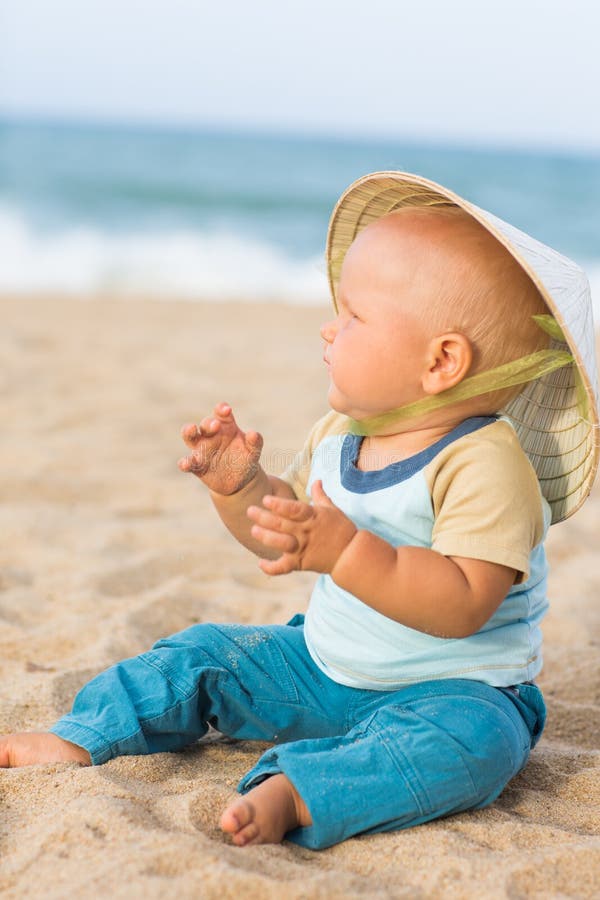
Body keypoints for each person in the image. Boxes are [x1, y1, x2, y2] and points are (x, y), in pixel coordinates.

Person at [1, 172, 598, 851]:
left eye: (352, 317)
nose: (327, 327)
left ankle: (303, 788)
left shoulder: (488, 465)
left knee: (479, 748)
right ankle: (82, 737)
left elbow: (463, 603)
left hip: (452, 692)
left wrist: (347, 554)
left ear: (442, 362)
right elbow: (284, 533)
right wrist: (243, 490)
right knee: (204, 653)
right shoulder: (342, 431)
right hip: (322, 667)